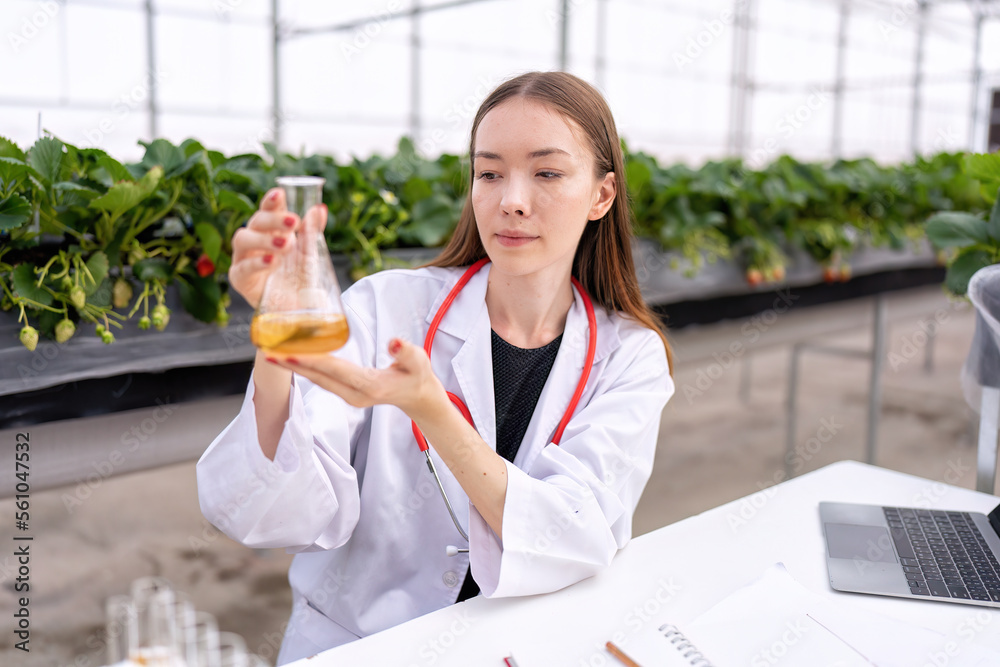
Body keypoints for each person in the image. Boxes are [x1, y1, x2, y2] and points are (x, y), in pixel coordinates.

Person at [197, 70, 675, 664]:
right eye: (489, 173)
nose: (511, 200)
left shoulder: (630, 355)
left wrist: (432, 411)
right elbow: (274, 514)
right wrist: (279, 329)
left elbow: (574, 536)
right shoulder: (384, 308)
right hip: (363, 650)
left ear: (602, 196)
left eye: (547, 173)